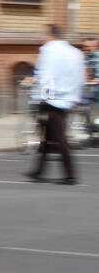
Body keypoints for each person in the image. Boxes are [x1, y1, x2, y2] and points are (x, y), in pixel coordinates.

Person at [26, 25, 85, 185]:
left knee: (59, 138)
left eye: (43, 34)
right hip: (67, 99)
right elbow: (80, 77)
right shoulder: (76, 53)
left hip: (51, 99)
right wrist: (77, 99)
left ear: (50, 34)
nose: (41, 37)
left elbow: (46, 75)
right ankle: (38, 172)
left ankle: (70, 174)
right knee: (46, 137)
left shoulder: (48, 50)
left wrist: (42, 98)